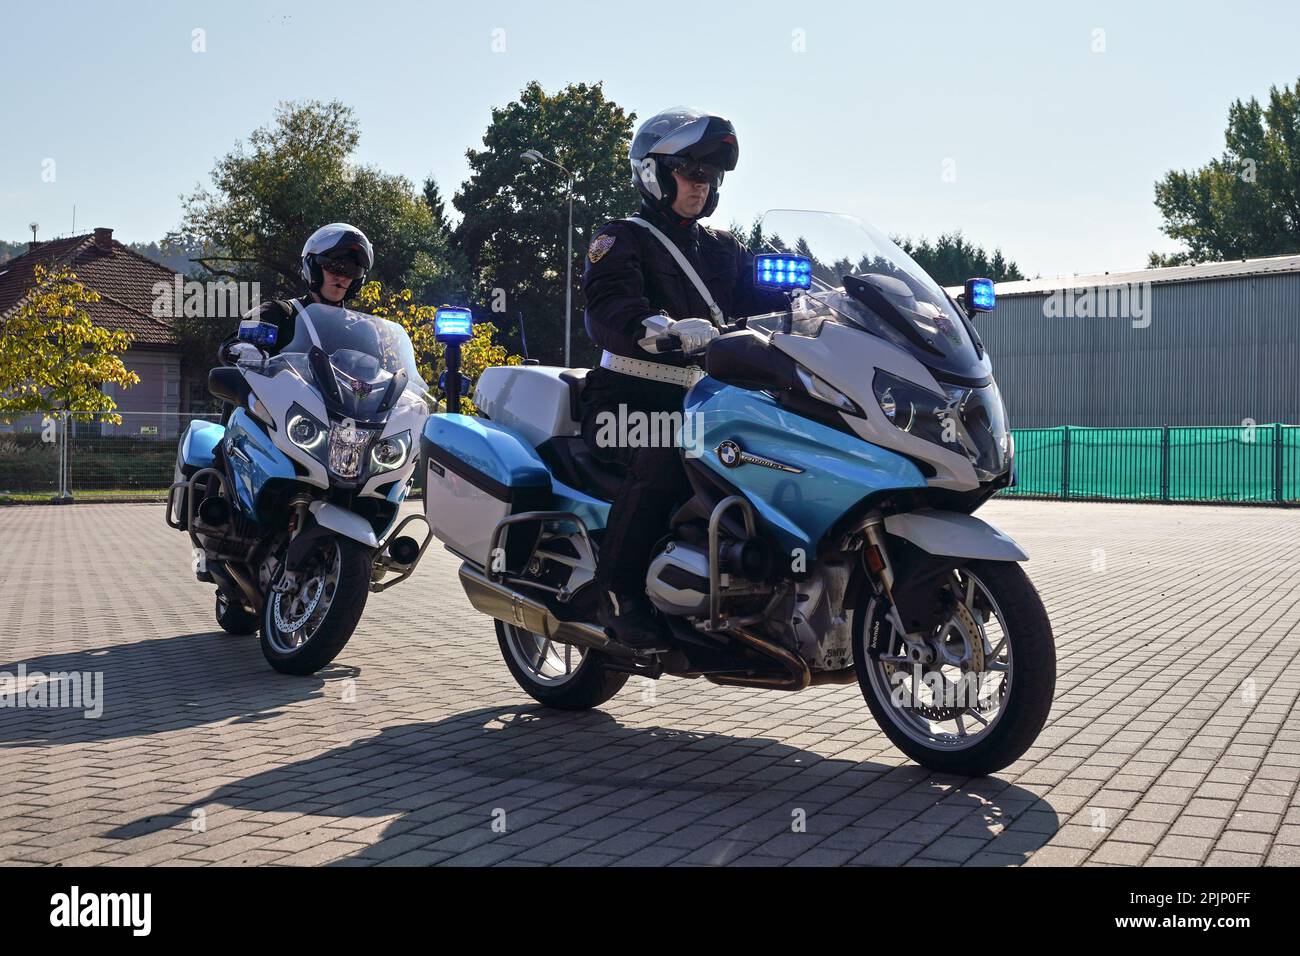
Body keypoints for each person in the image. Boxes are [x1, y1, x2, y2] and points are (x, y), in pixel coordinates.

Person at [580, 106, 789, 650]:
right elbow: (607, 308)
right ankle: (618, 596)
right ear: (653, 172)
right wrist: (658, 328)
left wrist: (831, 307)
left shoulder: (722, 247)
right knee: (664, 450)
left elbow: (766, 300)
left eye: (710, 176)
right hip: (628, 398)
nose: (702, 185)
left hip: (708, 402)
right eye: (690, 172)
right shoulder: (621, 238)